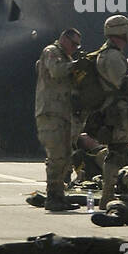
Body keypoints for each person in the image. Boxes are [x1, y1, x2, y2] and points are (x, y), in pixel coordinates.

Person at [34, 28, 82, 211]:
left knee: (65, 157)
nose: (75, 48)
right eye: (73, 43)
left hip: (62, 112)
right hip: (50, 112)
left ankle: (59, 196)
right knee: (56, 156)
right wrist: (77, 65)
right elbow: (56, 71)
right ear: (63, 38)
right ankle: (53, 197)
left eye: (78, 45)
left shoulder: (67, 57)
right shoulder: (51, 52)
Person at [96, 15, 128, 209]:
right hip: (116, 111)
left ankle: (111, 194)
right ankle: (108, 196)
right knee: (117, 152)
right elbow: (123, 84)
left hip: (118, 109)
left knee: (120, 150)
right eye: (126, 30)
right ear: (119, 32)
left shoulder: (113, 54)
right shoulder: (111, 56)